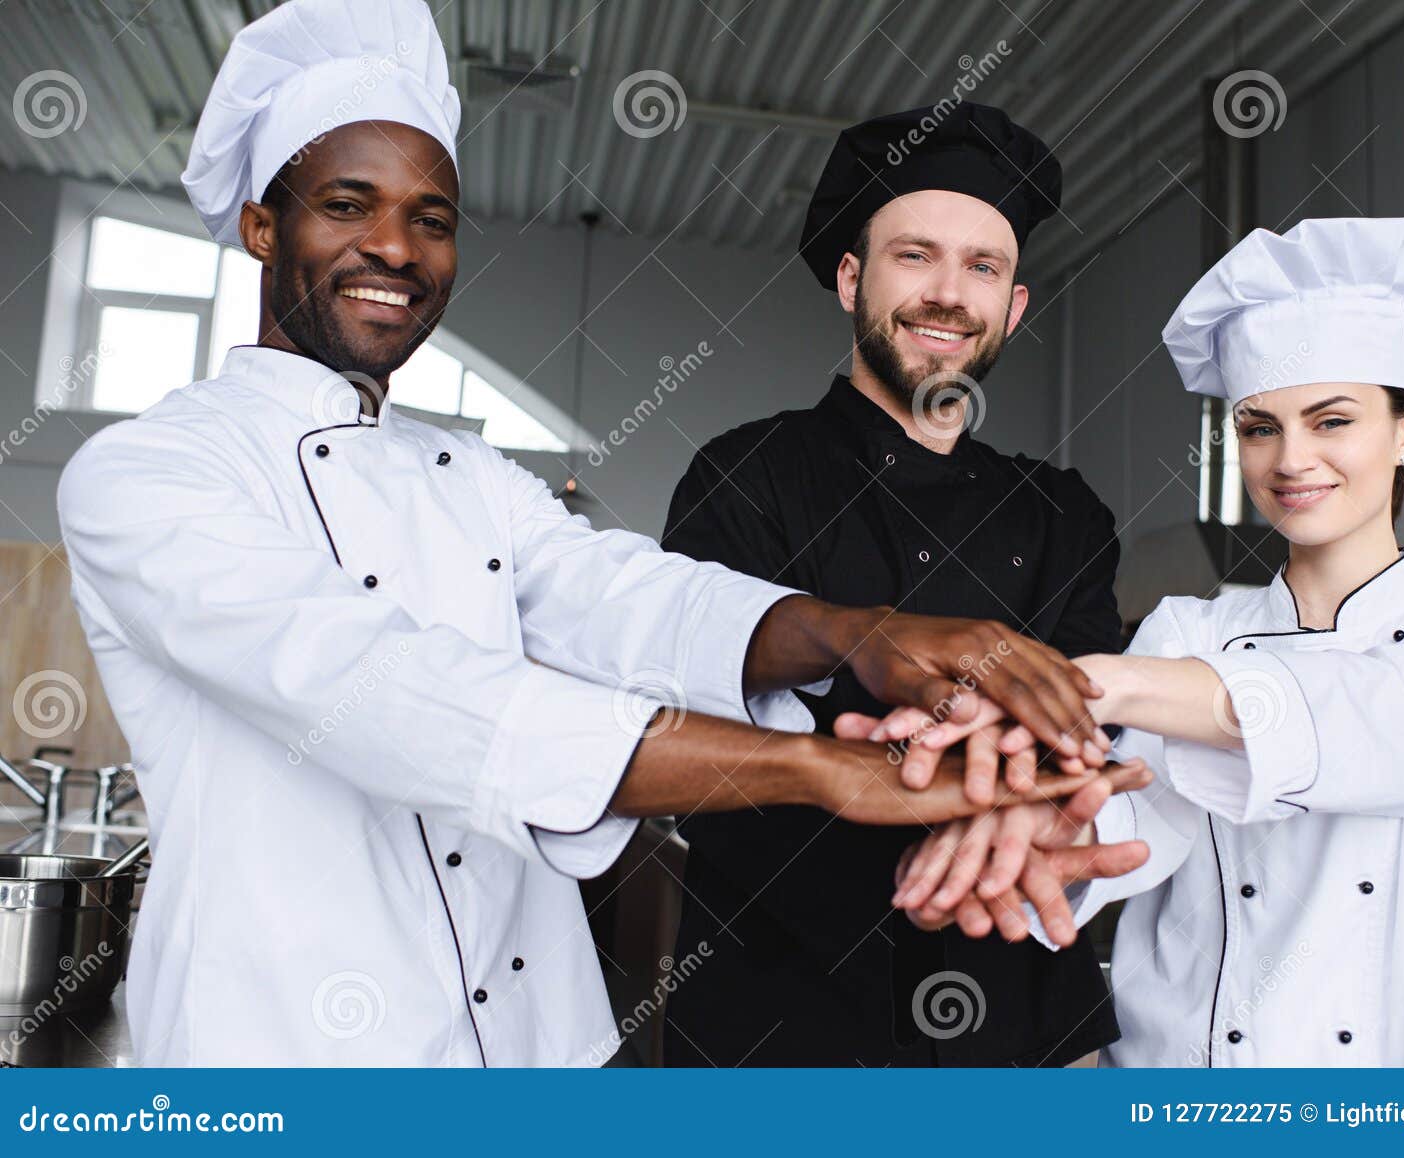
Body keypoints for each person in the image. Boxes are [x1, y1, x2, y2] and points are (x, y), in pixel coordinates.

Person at [55, 0, 1144, 1066]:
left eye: (431, 219)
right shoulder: (147, 474)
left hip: (536, 1053)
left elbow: (629, 597)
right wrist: (824, 768)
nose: (394, 246)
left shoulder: (473, 476)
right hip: (286, 1054)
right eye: (348, 205)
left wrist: (855, 635)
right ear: (261, 226)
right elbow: (387, 692)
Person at [879, 217, 1404, 1065]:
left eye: (1332, 421)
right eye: (1259, 427)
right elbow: (1142, 807)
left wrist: (1094, 680)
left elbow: (1377, 713)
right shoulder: (1192, 629)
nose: (1291, 460)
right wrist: (1039, 839)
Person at [658, 104, 1144, 1067]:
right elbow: (702, 738)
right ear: (852, 279)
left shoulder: (1065, 515)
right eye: (915, 256)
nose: (948, 295)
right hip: (783, 1025)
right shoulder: (746, 476)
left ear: (1014, 307)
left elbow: (1088, 728)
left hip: (1022, 1028)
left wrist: (1008, 804)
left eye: (983, 267)